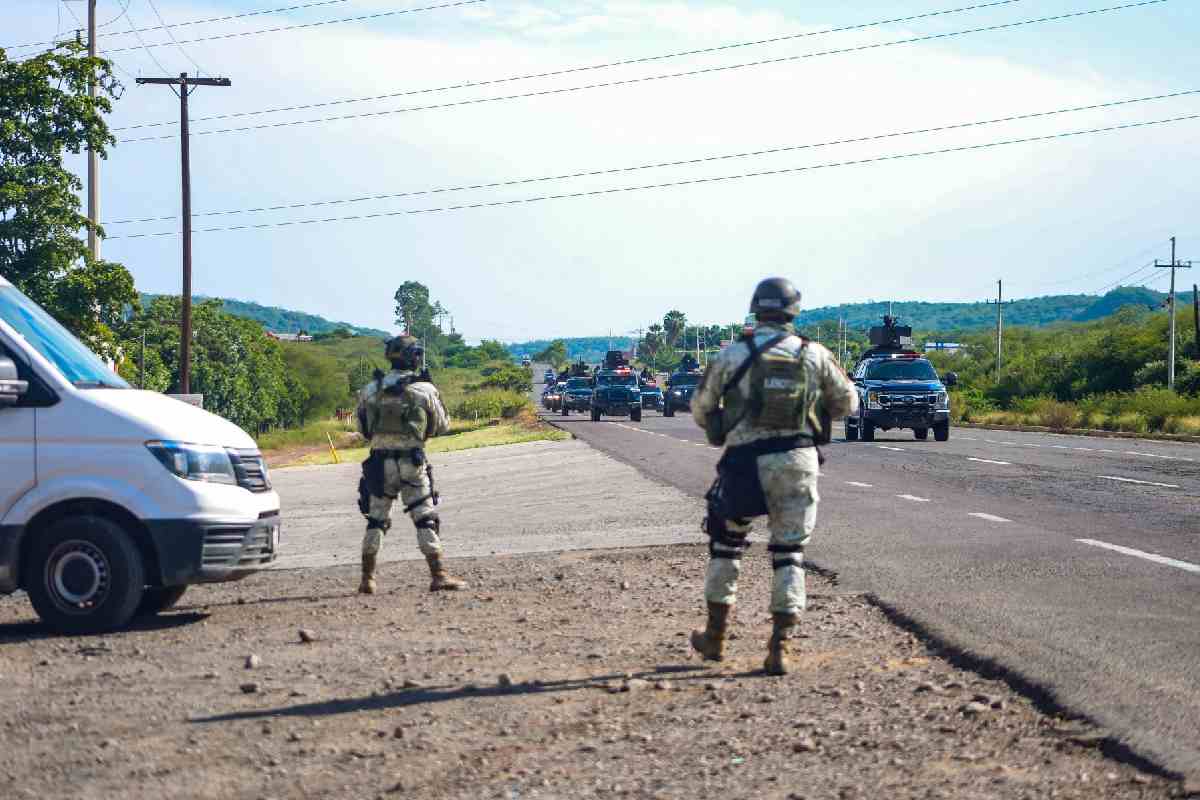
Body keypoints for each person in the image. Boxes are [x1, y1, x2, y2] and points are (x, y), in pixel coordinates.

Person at [689, 278, 857, 675]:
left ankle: (715, 637)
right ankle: (779, 646)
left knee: (727, 544)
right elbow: (849, 402)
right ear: (792, 312)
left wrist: (727, 424)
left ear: (756, 310)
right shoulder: (813, 354)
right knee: (789, 554)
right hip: (798, 459)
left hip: (745, 461)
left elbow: (701, 407)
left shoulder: (733, 354)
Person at [355, 335, 466, 595]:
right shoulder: (425, 390)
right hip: (411, 462)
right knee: (424, 517)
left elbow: (362, 428)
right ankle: (438, 574)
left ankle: (367, 579)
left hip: (379, 464)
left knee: (376, 520)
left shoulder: (371, 389)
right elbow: (442, 426)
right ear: (412, 357)